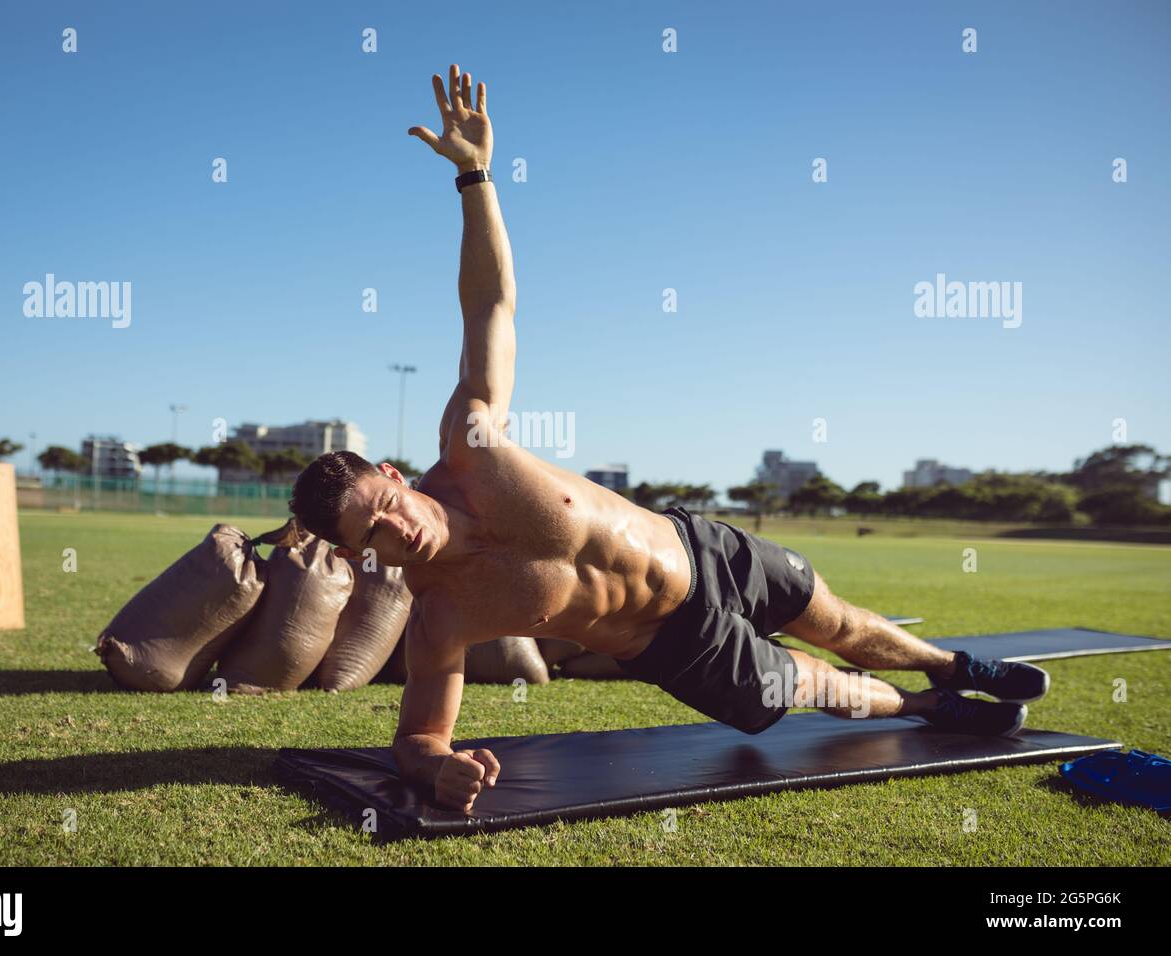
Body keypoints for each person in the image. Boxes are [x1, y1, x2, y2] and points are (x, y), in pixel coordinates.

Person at [290, 64, 1050, 813]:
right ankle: (922, 708)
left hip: (703, 548)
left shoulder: (474, 445)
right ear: (368, 554)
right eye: (375, 537)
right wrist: (436, 771)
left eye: (385, 505)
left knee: (840, 620)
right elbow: (418, 737)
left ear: (393, 475)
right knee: (819, 685)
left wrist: (475, 179)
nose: (396, 529)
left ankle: (955, 665)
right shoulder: (441, 616)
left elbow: (490, 307)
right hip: (679, 647)